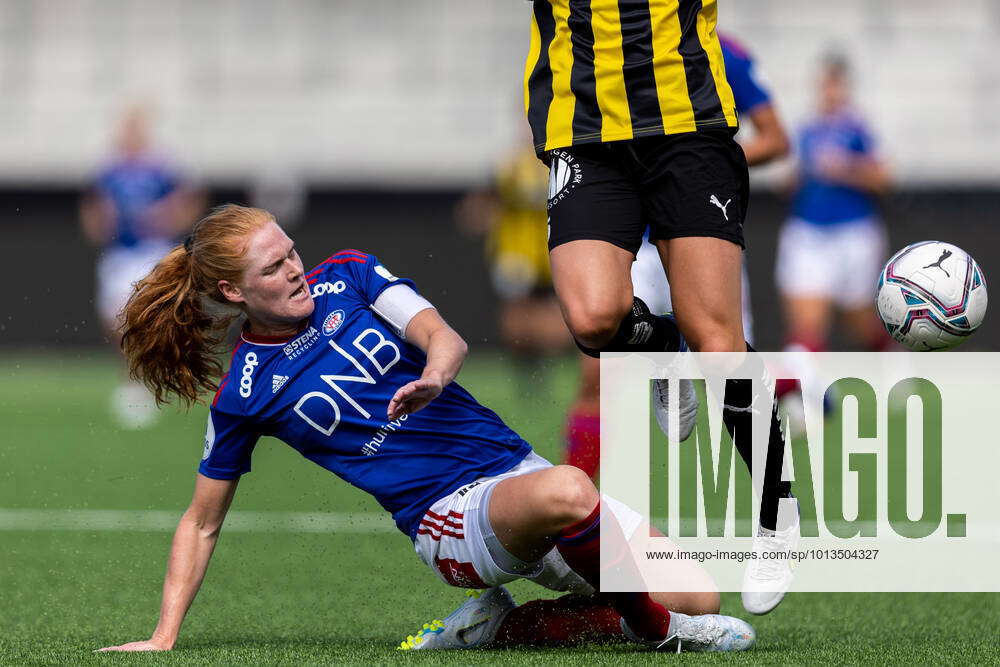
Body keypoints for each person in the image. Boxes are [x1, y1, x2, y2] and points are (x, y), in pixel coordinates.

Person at [97, 205, 755, 653]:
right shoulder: (244, 390)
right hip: (448, 520)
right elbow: (201, 521)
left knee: (701, 591)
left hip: (515, 473)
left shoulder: (347, 275)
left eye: (290, 253)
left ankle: (507, 628)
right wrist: (163, 634)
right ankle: (656, 631)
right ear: (233, 291)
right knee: (572, 490)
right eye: (272, 269)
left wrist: (436, 375)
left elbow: (442, 334)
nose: (295, 269)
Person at [569, 31, 792, 479]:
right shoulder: (594, 40)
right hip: (632, 241)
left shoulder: (718, 50)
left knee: (726, 364)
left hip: (698, 229)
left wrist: (704, 175)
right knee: (596, 371)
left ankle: (779, 507)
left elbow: (775, 138)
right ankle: (580, 517)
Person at [79, 106, 204, 428]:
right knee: (115, 319)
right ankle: (133, 375)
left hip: (153, 252)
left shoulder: (161, 166)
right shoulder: (109, 169)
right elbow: (93, 208)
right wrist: (98, 224)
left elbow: (190, 200)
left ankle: (149, 380)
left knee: (151, 317)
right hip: (120, 253)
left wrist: (166, 217)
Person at [777, 54, 892, 353]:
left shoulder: (858, 129)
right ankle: (806, 391)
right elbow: (792, 180)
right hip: (809, 231)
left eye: (835, 85)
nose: (829, 92)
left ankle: (894, 365)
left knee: (863, 324)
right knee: (806, 326)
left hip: (853, 232)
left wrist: (847, 169)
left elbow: (882, 178)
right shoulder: (806, 130)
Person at [454, 144, 572, 373]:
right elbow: (481, 204)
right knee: (516, 321)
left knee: (554, 322)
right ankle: (526, 365)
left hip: (551, 252)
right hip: (516, 254)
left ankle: (545, 364)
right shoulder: (510, 167)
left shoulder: (564, 164)